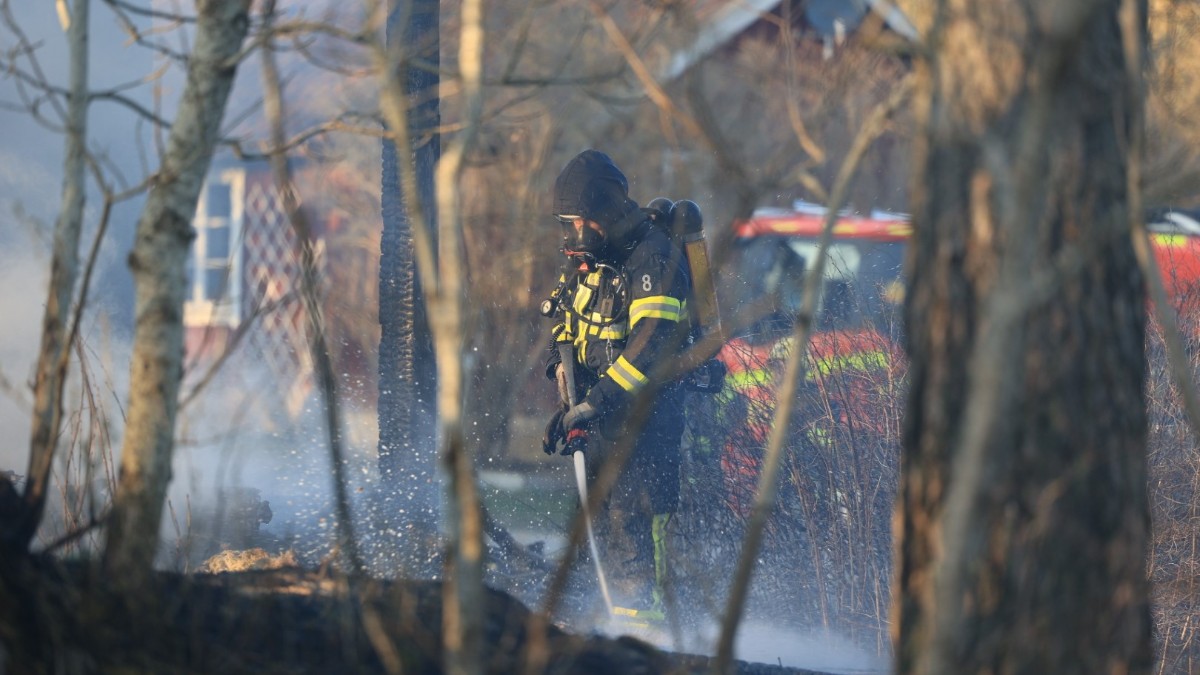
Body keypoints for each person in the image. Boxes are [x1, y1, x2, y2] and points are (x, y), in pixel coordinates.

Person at [540, 149, 691, 620]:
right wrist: (565, 387)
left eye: (576, 223)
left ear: (602, 212)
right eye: (566, 224)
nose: (571, 235)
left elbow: (651, 345)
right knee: (597, 533)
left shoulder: (654, 258)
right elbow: (568, 328)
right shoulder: (592, 262)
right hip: (601, 422)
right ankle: (607, 636)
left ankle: (655, 639)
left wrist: (593, 403)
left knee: (636, 533)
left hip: (647, 427)